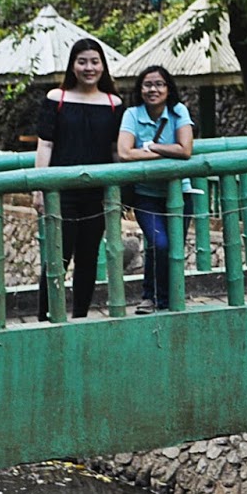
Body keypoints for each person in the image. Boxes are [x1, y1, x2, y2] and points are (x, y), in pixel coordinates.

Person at [34, 38, 125, 319]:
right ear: (72, 65)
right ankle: (46, 316)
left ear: (103, 66)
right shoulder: (56, 99)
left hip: (97, 193)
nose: (89, 68)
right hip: (61, 191)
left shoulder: (114, 103)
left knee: (88, 258)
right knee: (57, 257)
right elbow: (45, 144)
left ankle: (80, 317)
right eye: (82, 61)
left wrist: (119, 193)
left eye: (94, 62)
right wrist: (40, 189)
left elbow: (116, 151)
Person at [117, 65, 195, 314]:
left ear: (168, 88)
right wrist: (165, 150)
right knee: (158, 243)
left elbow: (185, 149)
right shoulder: (132, 114)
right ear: (140, 89)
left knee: (171, 248)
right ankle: (153, 297)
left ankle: (163, 298)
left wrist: (150, 148)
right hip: (145, 195)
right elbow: (124, 152)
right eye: (148, 84)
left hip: (179, 193)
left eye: (159, 84)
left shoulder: (178, 111)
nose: (153, 89)